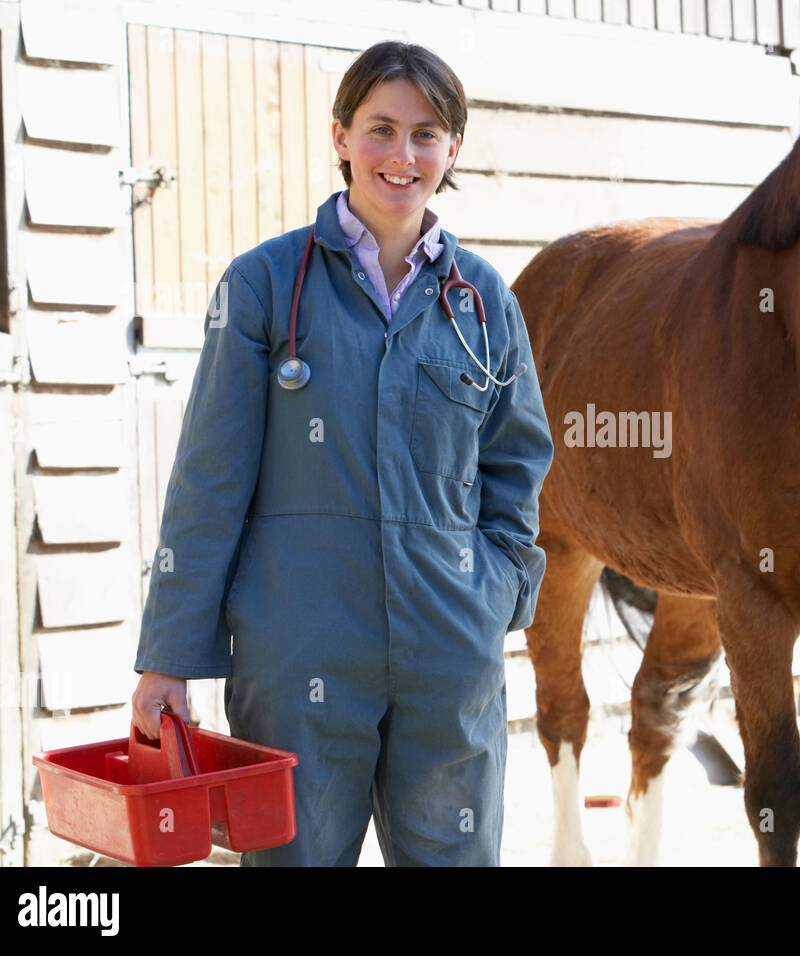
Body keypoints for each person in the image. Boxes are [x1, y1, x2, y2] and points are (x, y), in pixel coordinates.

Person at [129, 41, 554, 866]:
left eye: (427, 134)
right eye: (381, 129)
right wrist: (166, 658)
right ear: (340, 137)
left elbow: (516, 465)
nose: (403, 156)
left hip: (447, 659)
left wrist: (490, 595)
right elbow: (208, 479)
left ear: (453, 149)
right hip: (301, 657)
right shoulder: (263, 285)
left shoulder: (485, 302)